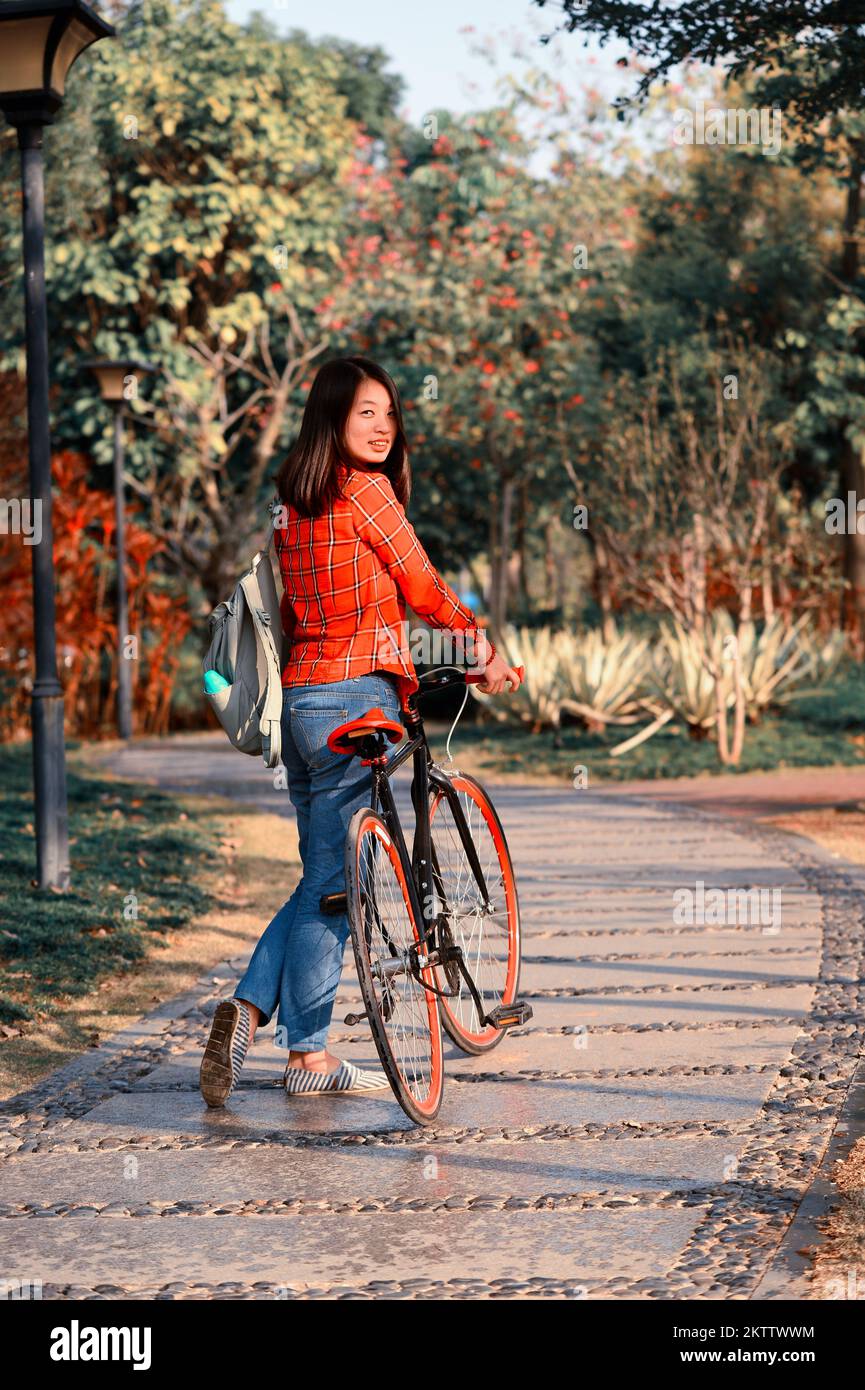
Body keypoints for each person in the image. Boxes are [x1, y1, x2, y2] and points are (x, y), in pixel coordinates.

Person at [199, 355, 521, 1105]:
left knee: (322, 876)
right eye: (363, 413)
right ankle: (296, 1046)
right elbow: (423, 585)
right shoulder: (367, 492)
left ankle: (259, 1021)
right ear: (333, 420)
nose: (380, 427)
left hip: (303, 705)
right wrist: (481, 645)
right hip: (357, 702)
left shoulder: (292, 502)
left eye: (387, 413)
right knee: (334, 886)